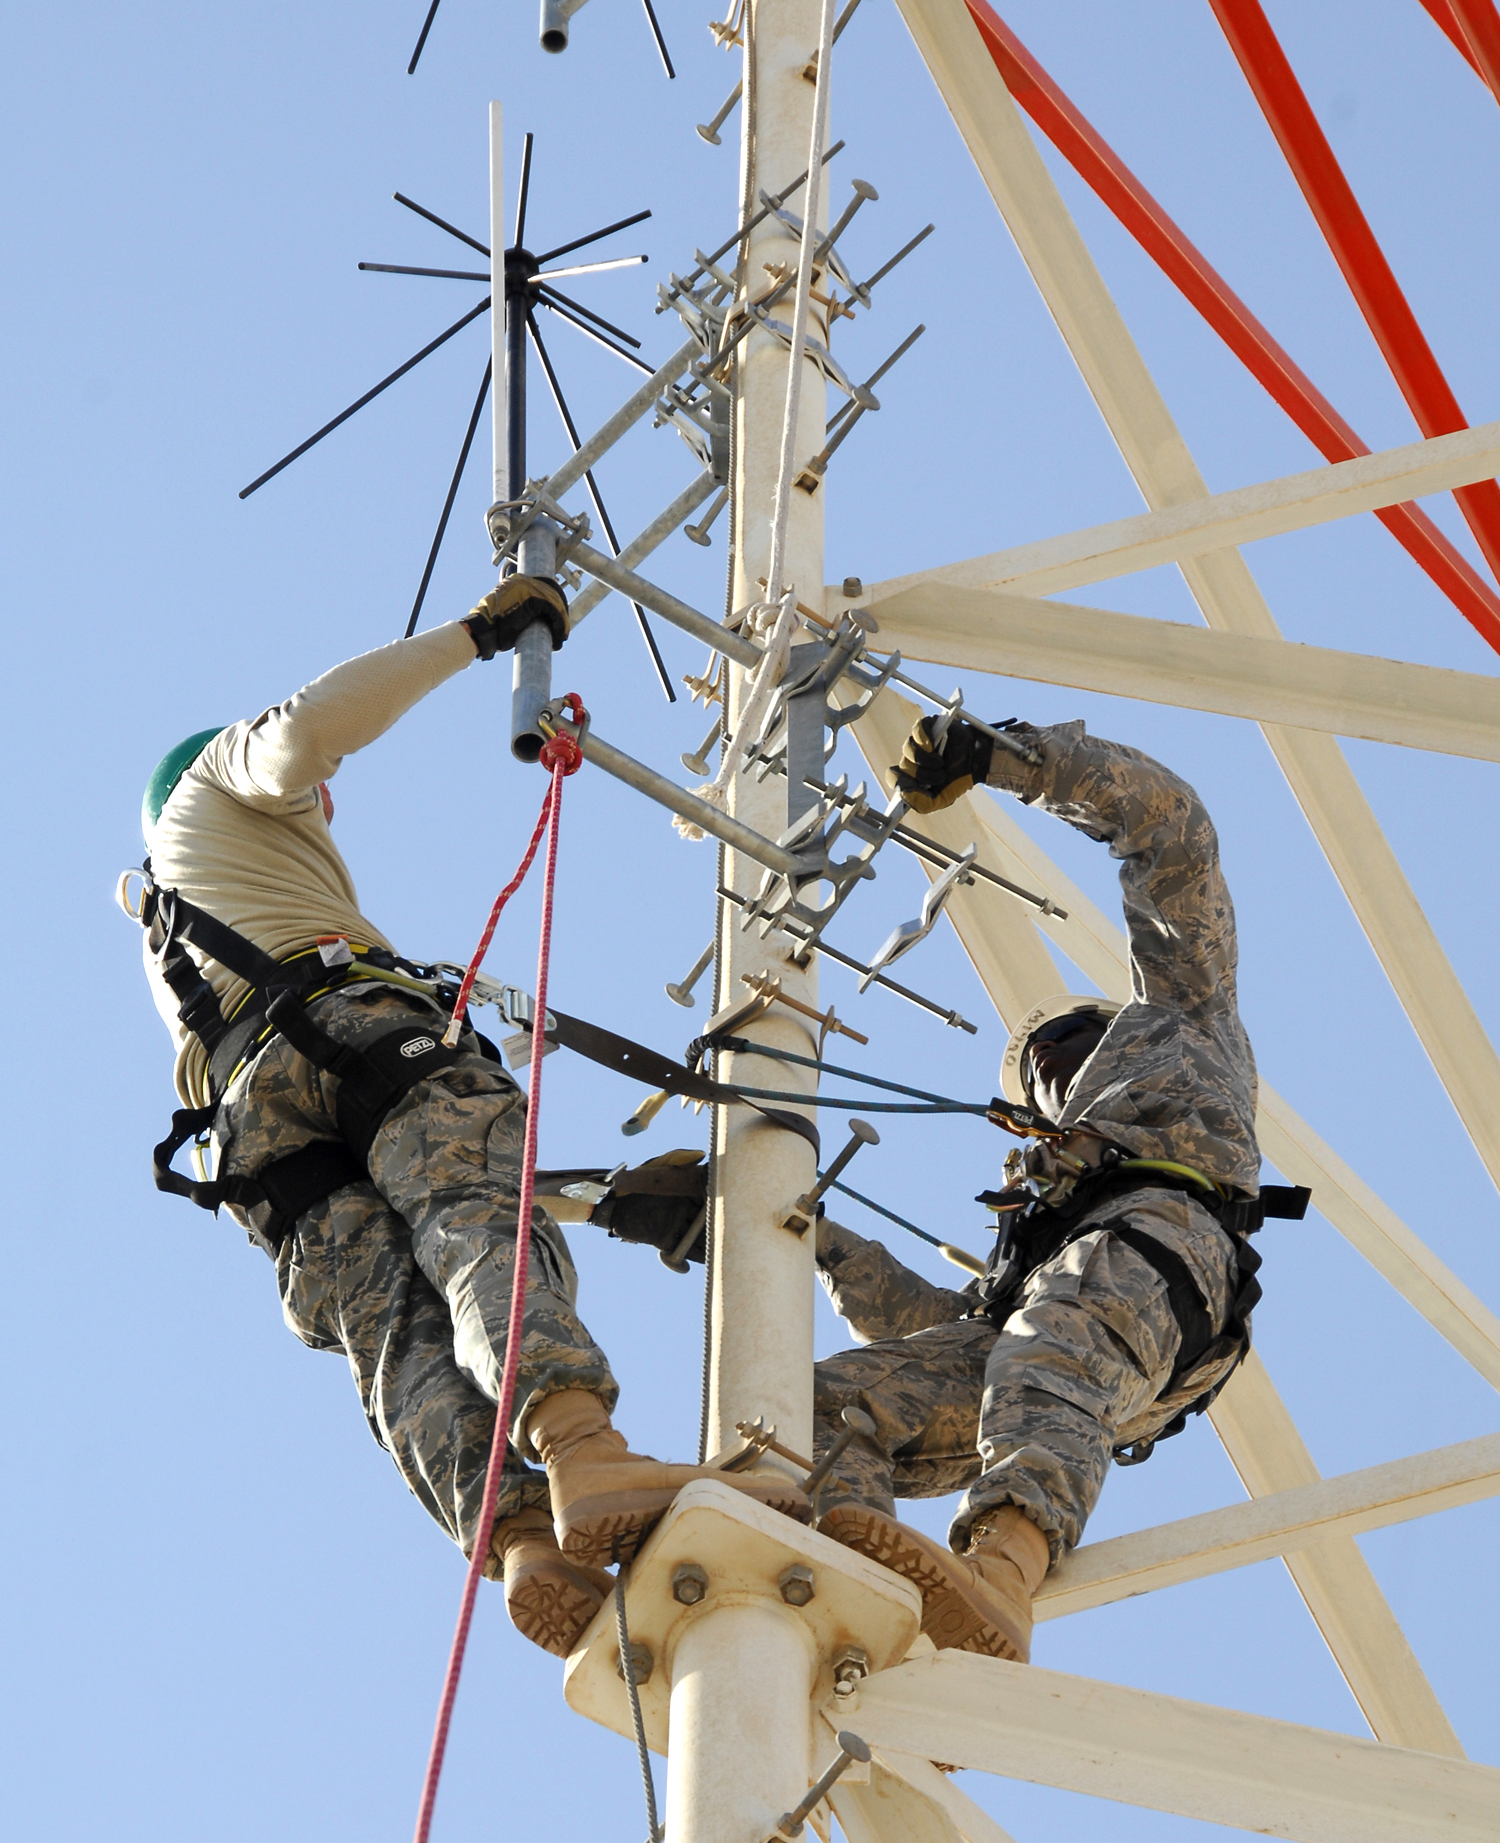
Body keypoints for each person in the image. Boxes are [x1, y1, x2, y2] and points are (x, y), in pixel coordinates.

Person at [123, 578, 807, 1657]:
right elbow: (303, 736)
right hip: (352, 1032)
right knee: (473, 1221)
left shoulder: (167, 923)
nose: (326, 815)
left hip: (259, 1143)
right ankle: (582, 1447)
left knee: (394, 1332)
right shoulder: (220, 785)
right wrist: (480, 635)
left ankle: (524, 1544)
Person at [807, 713, 1265, 1664]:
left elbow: (1174, 835)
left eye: (1063, 1044)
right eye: (1035, 1075)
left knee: (1054, 1328)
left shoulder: (1182, 1016)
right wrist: (807, 1238)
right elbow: (949, 1332)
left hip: (1159, 1249)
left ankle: (1000, 1575)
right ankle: (841, 1567)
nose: (1052, 1074)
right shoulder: (1037, 1214)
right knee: (816, 1402)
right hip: (1049, 1334)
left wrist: (1012, 761)